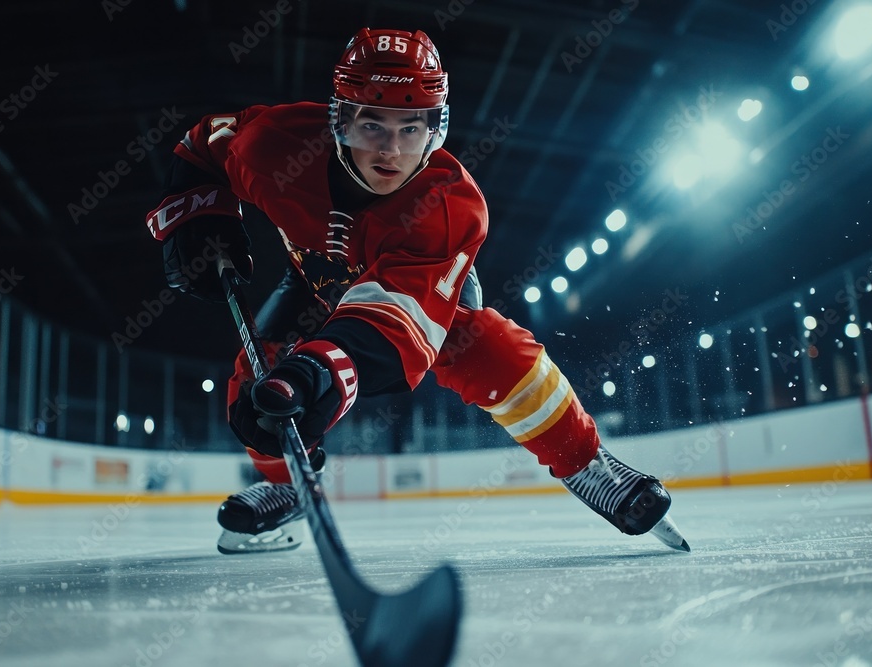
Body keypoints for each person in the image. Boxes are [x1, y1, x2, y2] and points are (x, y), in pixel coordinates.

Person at [145, 28, 686, 554]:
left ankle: (586, 461)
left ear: (436, 129)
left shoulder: (449, 207)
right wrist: (198, 212)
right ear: (339, 120)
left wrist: (317, 371)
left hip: (419, 297)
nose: (392, 150)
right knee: (253, 381)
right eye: (371, 126)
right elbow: (203, 147)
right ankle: (288, 483)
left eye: (412, 128)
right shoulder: (274, 146)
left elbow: (394, 321)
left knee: (485, 346)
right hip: (316, 283)